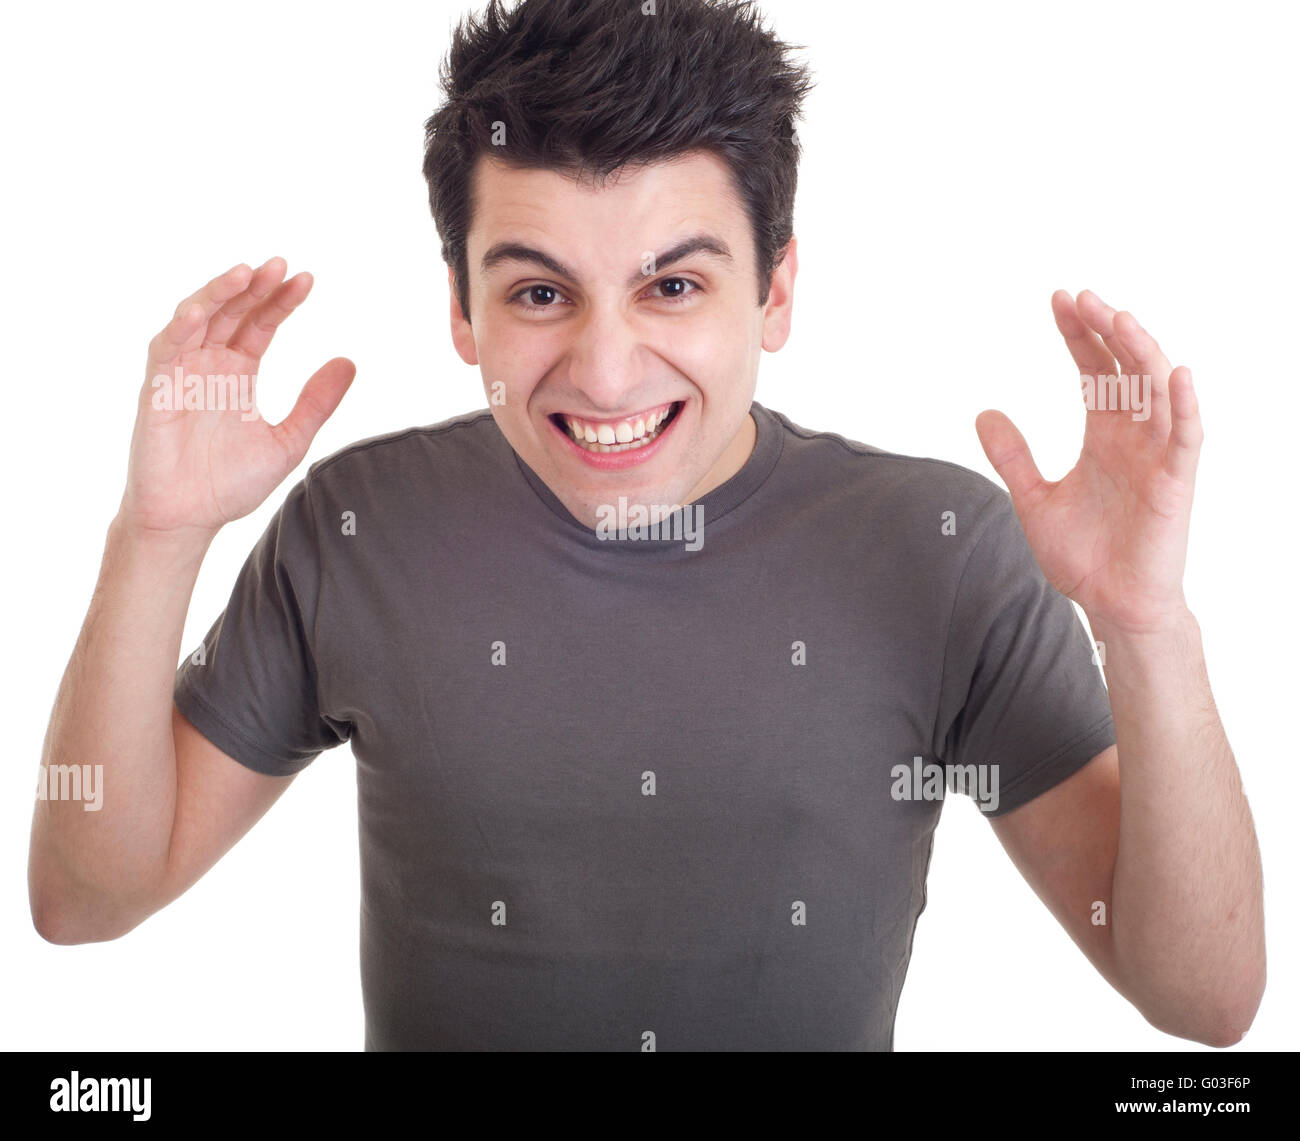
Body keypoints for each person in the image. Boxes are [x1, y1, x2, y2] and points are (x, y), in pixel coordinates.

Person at [29, 0, 1264, 1050]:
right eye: (537, 291)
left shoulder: (941, 548)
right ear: (460, 312)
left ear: (775, 289)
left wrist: (1145, 622)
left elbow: (1203, 999)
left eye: (673, 284)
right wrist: (157, 533)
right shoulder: (356, 526)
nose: (607, 371)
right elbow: (87, 902)